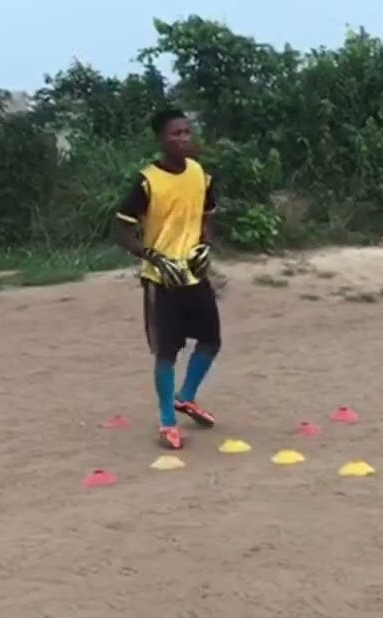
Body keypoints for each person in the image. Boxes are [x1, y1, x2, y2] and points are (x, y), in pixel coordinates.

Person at [113, 107, 220, 451]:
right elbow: (121, 228)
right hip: (162, 280)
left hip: (193, 274)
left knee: (211, 341)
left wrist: (205, 245)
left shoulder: (200, 174)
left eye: (187, 132)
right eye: (176, 133)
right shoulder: (148, 181)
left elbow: (207, 215)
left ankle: (185, 397)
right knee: (166, 352)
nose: (184, 138)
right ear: (161, 139)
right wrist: (152, 256)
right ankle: (167, 422)